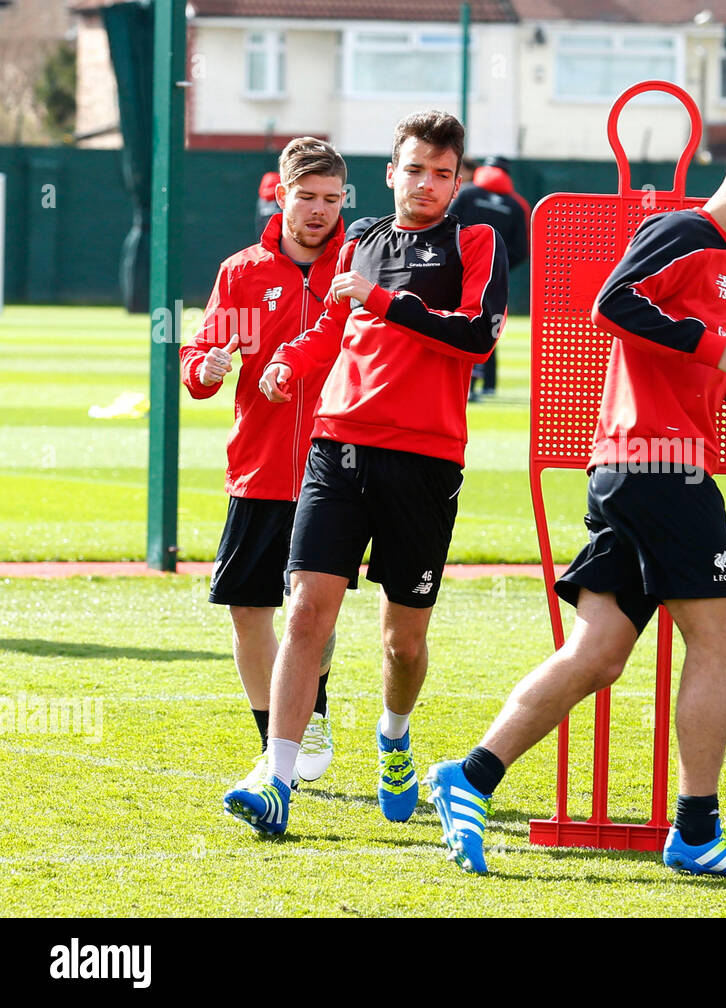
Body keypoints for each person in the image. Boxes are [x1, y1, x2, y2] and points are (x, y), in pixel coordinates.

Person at [424, 127, 726, 877]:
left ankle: (468, 777)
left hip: (639, 465)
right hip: (660, 468)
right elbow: (611, 303)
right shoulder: (684, 231)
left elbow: (670, 344)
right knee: (722, 642)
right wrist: (716, 351)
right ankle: (698, 833)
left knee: (599, 653)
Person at [221, 110, 508, 837]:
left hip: (425, 460)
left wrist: (382, 301)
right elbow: (333, 326)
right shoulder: (364, 237)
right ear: (390, 172)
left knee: (400, 643)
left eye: (443, 174)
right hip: (337, 446)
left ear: (459, 179)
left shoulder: (476, 240)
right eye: (415, 170)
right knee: (308, 610)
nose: (427, 185)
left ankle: (394, 733)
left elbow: (476, 337)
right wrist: (292, 361)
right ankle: (277, 777)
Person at [181, 137, 349, 792]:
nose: (318, 211)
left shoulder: (357, 267)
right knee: (249, 612)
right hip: (260, 468)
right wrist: (207, 366)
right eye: (306, 197)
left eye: (331, 199)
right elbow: (200, 363)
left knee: (316, 609)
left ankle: (314, 713)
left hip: (338, 470)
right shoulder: (242, 272)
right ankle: (272, 742)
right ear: (279, 194)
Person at [449, 155, 529, 399]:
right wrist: (498, 267)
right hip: (494, 276)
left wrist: (459, 260)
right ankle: (489, 384)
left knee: (458, 321)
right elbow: (522, 249)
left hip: (459, 271)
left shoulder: (466, 193)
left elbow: (448, 224)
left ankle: (463, 384)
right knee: (489, 325)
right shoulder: (517, 205)